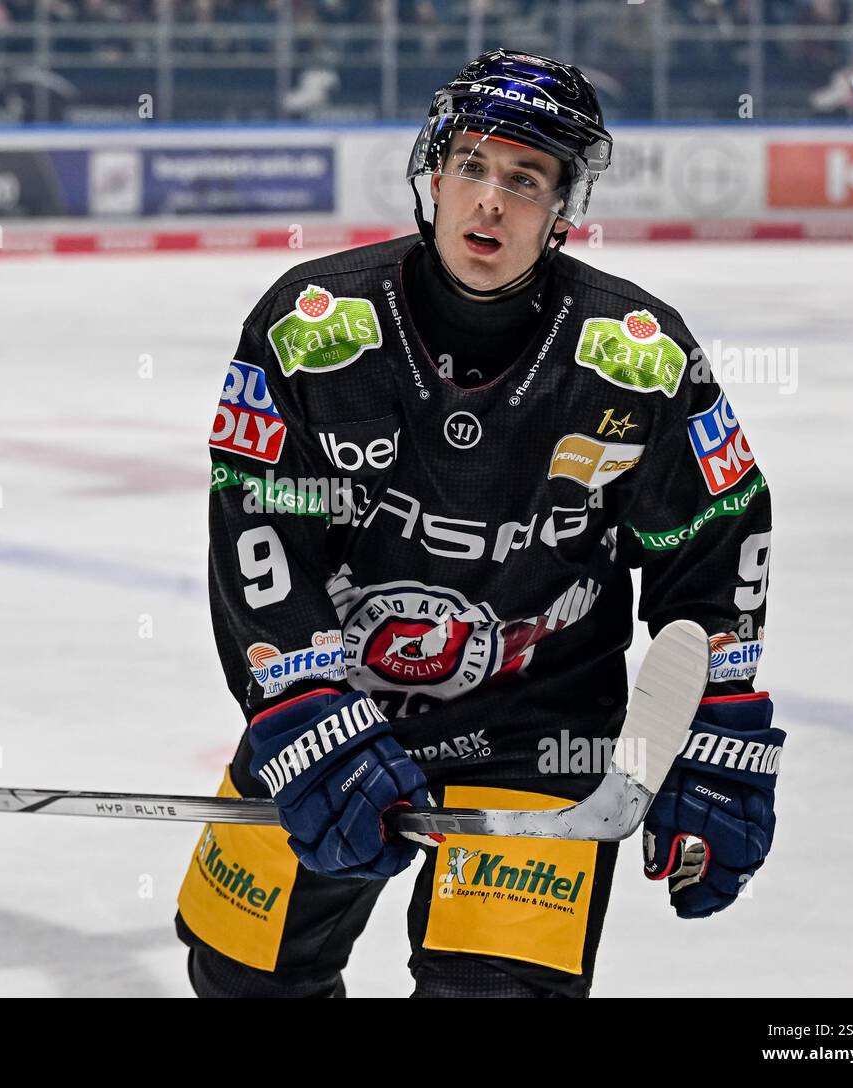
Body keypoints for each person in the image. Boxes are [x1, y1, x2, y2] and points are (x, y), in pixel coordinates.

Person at [175, 48, 784, 998]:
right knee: (244, 981)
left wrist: (716, 737)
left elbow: (711, 545)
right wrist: (306, 716)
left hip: (542, 738)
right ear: (434, 174)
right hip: (342, 705)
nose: (491, 199)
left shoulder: (636, 356)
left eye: (525, 178)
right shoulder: (311, 324)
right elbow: (262, 533)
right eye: (472, 166)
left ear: (563, 208)